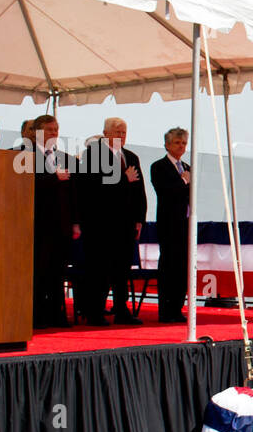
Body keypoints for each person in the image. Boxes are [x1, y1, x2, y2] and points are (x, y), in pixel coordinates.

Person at [77, 118, 146, 325]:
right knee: (99, 268)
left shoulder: (131, 156)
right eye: (117, 132)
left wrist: (139, 219)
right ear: (106, 133)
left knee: (122, 268)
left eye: (124, 132)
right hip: (100, 223)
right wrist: (122, 179)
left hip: (125, 224)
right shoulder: (94, 154)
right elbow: (91, 187)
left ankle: (121, 309)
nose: (121, 136)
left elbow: (139, 192)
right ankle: (94, 311)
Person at [30, 115, 79, 327]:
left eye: (56, 129)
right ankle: (37, 316)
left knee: (57, 273)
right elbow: (24, 184)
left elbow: (75, 194)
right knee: (38, 272)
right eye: (49, 129)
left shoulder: (66, 158)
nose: (54, 133)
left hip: (61, 225)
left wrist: (75, 222)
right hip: (37, 224)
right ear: (37, 132)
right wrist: (53, 178)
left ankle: (57, 314)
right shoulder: (24, 154)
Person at [150, 128, 191, 323]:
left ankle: (177, 307)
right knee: (169, 266)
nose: (181, 146)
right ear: (167, 144)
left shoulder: (187, 167)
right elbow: (166, 191)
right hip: (169, 224)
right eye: (177, 143)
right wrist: (182, 182)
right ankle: (166, 309)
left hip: (185, 223)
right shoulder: (159, 166)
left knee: (183, 267)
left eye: (183, 143)